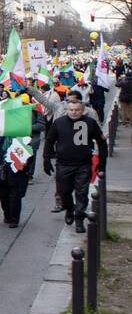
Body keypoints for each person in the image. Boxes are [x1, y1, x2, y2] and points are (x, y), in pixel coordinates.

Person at [44, 91, 107, 234]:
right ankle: (69, 209)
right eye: (71, 110)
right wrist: (46, 159)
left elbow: (101, 142)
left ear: (83, 110)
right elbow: (49, 141)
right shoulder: (59, 123)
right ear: (67, 110)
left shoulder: (90, 123)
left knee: (81, 193)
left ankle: (79, 219)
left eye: (77, 110)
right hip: (63, 164)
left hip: (83, 164)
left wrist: (102, 162)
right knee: (63, 192)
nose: (74, 113)